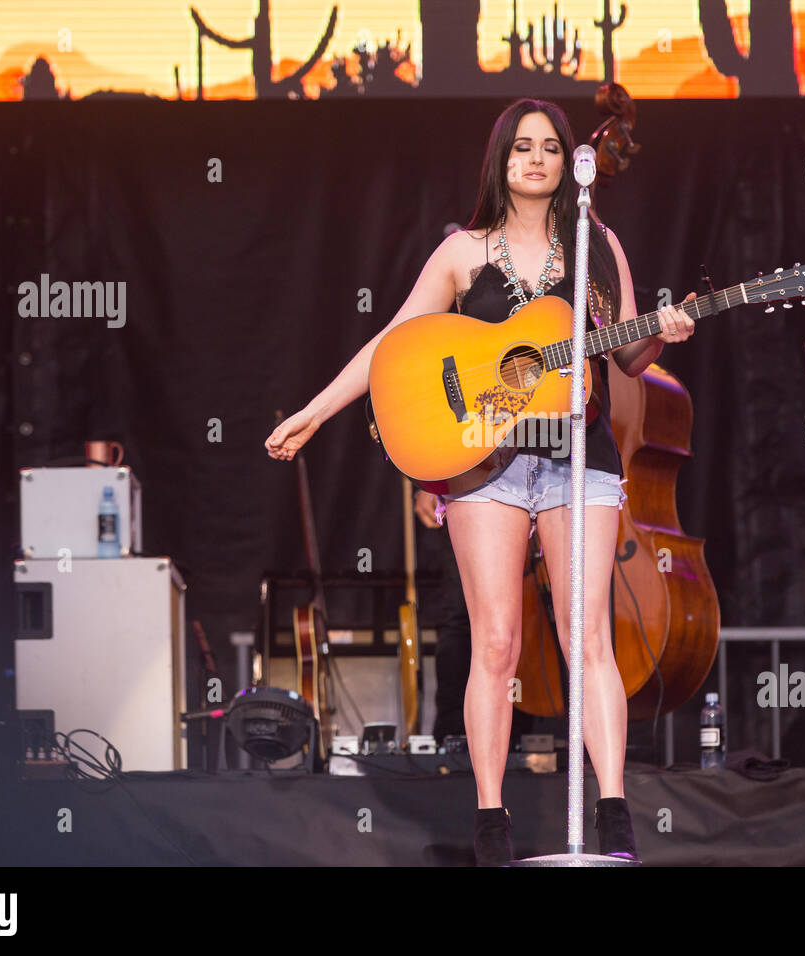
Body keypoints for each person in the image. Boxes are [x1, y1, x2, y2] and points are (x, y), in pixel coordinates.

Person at [266, 98, 695, 865]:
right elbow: (391, 344)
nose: (536, 159)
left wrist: (661, 332)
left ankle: (613, 813)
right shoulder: (464, 252)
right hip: (487, 461)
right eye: (521, 147)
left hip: (577, 455)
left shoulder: (598, 244)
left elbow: (627, 357)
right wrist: (317, 411)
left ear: (570, 163)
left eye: (551, 148)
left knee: (586, 636)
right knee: (495, 642)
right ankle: (491, 820)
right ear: (499, 161)